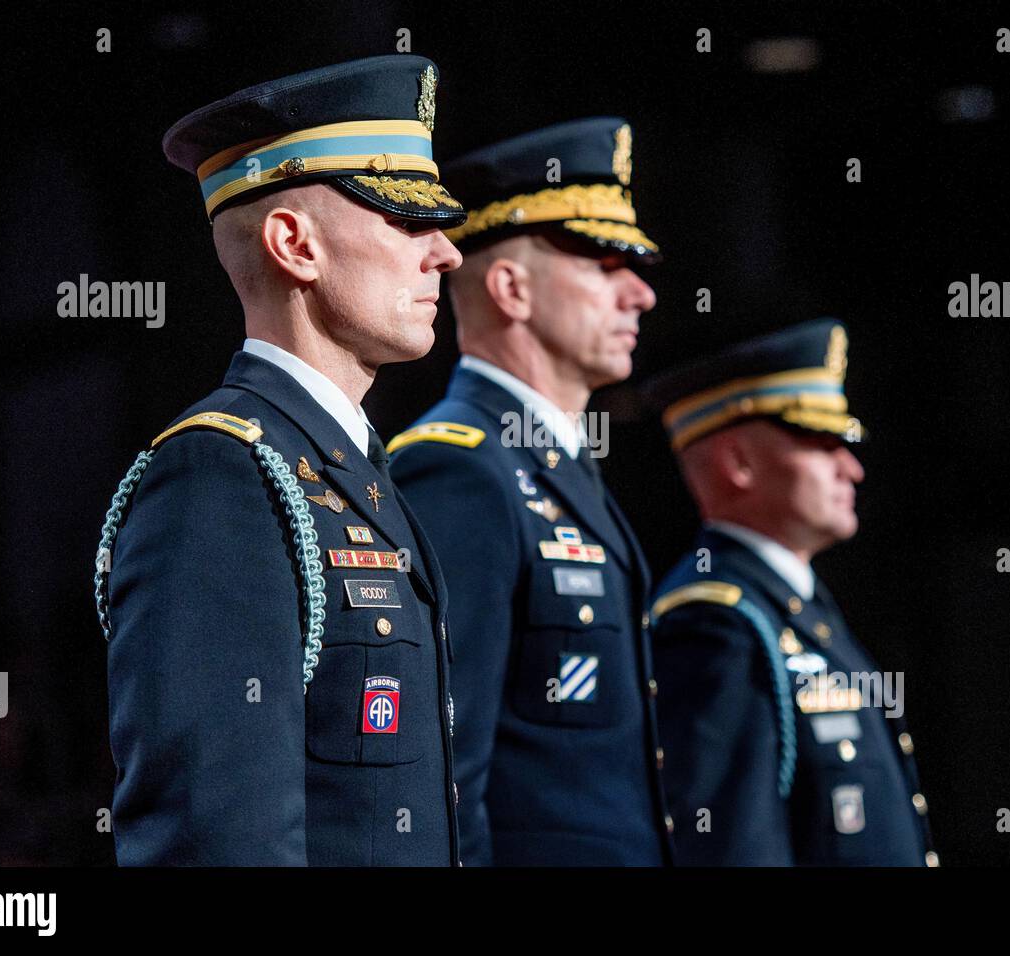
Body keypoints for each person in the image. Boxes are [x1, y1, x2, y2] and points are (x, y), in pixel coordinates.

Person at [94, 55, 467, 865]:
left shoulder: (345, 465)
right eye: (408, 220)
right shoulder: (220, 475)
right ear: (295, 244)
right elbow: (214, 838)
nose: (446, 254)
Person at [387, 118, 673, 865]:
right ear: (510, 287)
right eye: (606, 263)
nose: (640, 293)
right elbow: (442, 776)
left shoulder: (556, 463)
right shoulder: (461, 469)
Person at [645, 319, 938, 866]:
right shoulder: (715, 622)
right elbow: (730, 846)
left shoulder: (801, 607)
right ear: (739, 462)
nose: (850, 467)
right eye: (822, 443)